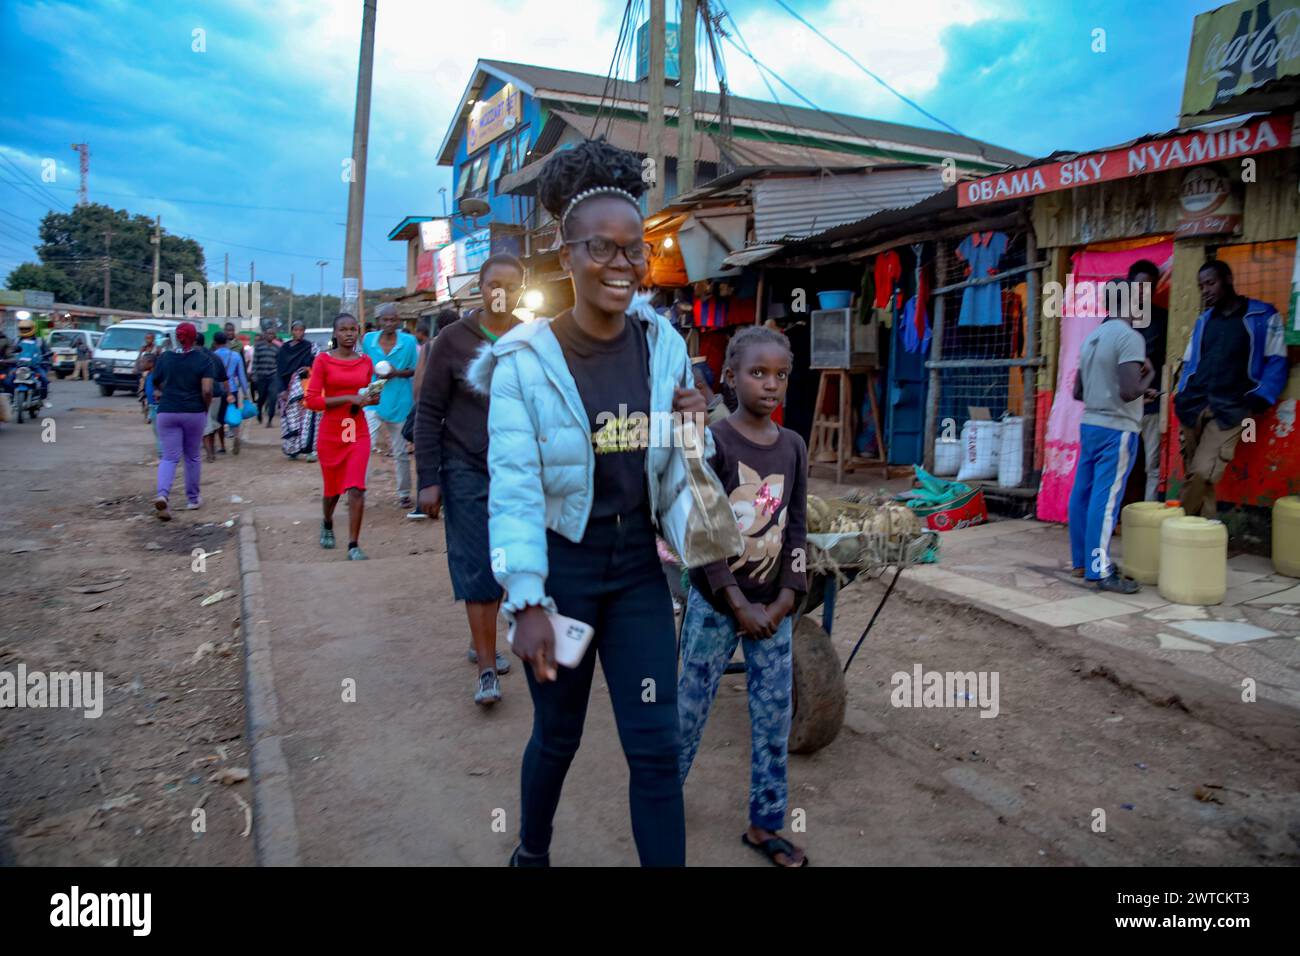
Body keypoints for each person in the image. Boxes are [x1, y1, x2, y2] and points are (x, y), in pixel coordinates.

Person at [469, 138, 708, 867]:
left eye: (635, 251)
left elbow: (668, 461)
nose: (622, 266)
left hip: (637, 568)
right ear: (563, 252)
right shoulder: (524, 363)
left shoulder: (663, 342)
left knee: (656, 749)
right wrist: (528, 600)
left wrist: (692, 424)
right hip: (563, 570)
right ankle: (532, 852)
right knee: (559, 736)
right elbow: (512, 490)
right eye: (601, 248)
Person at [677, 325, 809, 867]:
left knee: (773, 718)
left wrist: (784, 601)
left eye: (780, 375)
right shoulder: (713, 442)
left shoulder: (794, 446)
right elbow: (703, 532)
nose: (770, 385)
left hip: (772, 611)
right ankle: (660, 799)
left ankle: (765, 824)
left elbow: (796, 530)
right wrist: (736, 603)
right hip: (715, 606)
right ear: (729, 377)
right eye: (757, 373)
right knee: (689, 710)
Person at [415, 254, 524, 705]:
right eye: (492, 284)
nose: (500, 292)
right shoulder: (451, 341)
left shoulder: (532, 338)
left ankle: (484, 642)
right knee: (476, 562)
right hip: (463, 466)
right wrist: (428, 478)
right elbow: (429, 412)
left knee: (506, 563)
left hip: (518, 470)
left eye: (510, 286)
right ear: (478, 288)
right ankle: (485, 669)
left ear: (521, 291)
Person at [1174, 260, 1287, 518]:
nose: (1205, 290)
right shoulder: (1203, 321)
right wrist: (1181, 392)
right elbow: (1190, 362)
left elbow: (1277, 359)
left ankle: (1174, 524)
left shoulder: (1262, 316)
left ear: (1227, 279)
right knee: (1199, 477)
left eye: (1210, 283)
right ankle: (1202, 541)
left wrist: (1260, 396)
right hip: (1193, 405)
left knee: (1203, 471)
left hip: (1232, 408)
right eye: (1201, 286)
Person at [1069, 285, 1155, 593]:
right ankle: (1100, 569)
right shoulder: (1129, 337)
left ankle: (1082, 561)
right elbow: (1129, 391)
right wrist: (1150, 376)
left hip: (1090, 424)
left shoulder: (1092, 337)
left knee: (1083, 494)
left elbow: (1077, 391)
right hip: (1117, 428)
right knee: (1106, 502)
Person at [304, 313, 377, 560]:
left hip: (357, 430)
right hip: (332, 432)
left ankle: (353, 545)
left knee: (356, 487)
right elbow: (312, 401)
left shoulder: (366, 362)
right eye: (343, 330)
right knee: (333, 490)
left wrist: (372, 397)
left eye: (353, 329)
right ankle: (327, 521)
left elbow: (367, 393)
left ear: (358, 332)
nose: (348, 334)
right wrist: (348, 398)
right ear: (335, 334)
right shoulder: (323, 361)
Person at [150, 322, 213, 520]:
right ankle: (193, 499)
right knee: (192, 456)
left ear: (177, 337)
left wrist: (165, 391)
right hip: (193, 412)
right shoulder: (204, 360)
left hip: (167, 411)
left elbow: (155, 381)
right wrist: (205, 408)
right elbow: (207, 390)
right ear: (195, 338)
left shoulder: (165, 357)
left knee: (169, 457)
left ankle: (162, 495)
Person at [361, 303, 418, 508]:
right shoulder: (368, 340)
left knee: (400, 451)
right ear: (379, 321)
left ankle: (404, 493)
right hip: (375, 391)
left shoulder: (409, 342)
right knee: (364, 444)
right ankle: (358, 489)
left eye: (393, 319)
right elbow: (362, 364)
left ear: (398, 320)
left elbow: (414, 369)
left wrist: (397, 373)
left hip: (400, 396)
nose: (389, 323)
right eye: (385, 319)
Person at [1126, 260, 1168, 501]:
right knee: (1120, 463)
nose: (1143, 292)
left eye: (1149, 287)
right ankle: (1115, 517)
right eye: (1139, 286)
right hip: (1122, 404)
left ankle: (1148, 515)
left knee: (1152, 465)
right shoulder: (1117, 320)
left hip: (1151, 404)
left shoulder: (1163, 318)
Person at [212, 331, 250, 455]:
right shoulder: (235, 356)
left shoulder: (212, 356)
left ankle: (222, 446)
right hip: (232, 390)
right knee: (233, 414)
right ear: (227, 342)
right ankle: (236, 436)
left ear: (215, 342)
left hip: (217, 390)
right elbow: (242, 375)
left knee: (219, 419)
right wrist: (245, 392)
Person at [198, 331, 230, 461]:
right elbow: (224, 379)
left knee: (206, 424)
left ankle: (210, 453)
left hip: (199, 394)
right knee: (210, 422)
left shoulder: (190, 356)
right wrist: (228, 394)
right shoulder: (215, 357)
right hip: (216, 394)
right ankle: (212, 449)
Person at [14, 318, 51, 404]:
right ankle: (10, 399)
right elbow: (11, 352)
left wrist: (47, 360)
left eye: (27, 329)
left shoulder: (40, 341)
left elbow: (47, 352)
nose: (24, 330)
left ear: (32, 329)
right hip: (20, 367)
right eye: (22, 329)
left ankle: (43, 399)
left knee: (44, 379)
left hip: (36, 366)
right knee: (7, 380)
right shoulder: (17, 341)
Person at [252, 330, 281, 427]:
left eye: (272, 334)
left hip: (273, 376)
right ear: (265, 335)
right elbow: (255, 362)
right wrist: (254, 374)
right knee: (262, 398)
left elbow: (279, 363)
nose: (270, 335)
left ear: (274, 336)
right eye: (268, 333)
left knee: (273, 398)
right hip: (261, 376)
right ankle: (259, 410)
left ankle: (270, 420)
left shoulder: (277, 348)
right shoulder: (259, 347)